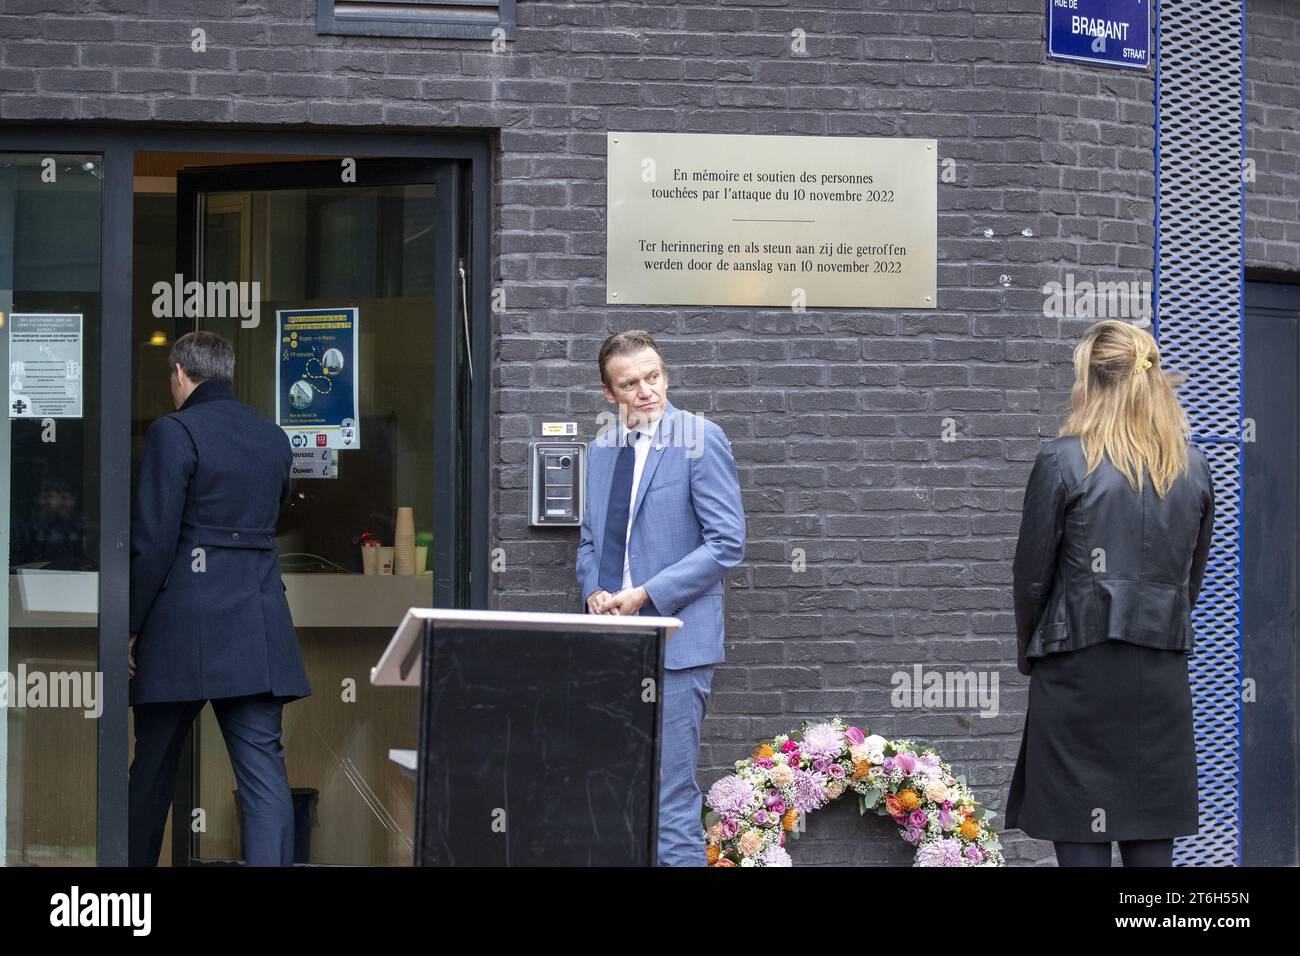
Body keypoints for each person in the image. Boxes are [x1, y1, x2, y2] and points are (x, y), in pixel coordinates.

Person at [1004, 320, 1215, 867]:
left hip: (1077, 670)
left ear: (1090, 381)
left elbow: (1031, 579)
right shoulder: (1191, 467)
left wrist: (1032, 651)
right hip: (1159, 673)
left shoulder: (1062, 459)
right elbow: (1189, 580)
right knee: (1150, 840)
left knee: (1081, 833)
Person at [128, 331, 311, 866]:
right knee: (262, 775)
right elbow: (272, 515)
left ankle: (123, 893)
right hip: (255, 623)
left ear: (181, 374)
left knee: (153, 768)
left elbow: (153, 540)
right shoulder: (273, 436)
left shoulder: (174, 431)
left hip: (181, 626)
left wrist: (131, 626)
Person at [576, 330, 745, 867]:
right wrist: (595, 591)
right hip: (610, 644)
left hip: (675, 645)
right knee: (612, 793)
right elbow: (589, 542)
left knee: (670, 799)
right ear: (609, 393)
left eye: (655, 376)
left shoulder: (702, 438)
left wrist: (646, 594)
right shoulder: (601, 451)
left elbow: (727, 544)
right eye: (631, 383)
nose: (647, 391)